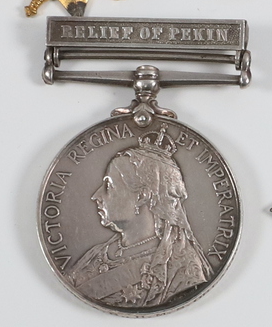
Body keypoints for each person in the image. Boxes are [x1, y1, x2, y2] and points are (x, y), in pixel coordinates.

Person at [68, 130, 210, 308]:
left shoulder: (181, 270)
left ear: (142, 196)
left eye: (109, 186)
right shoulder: (95, 255)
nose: (96, 196)